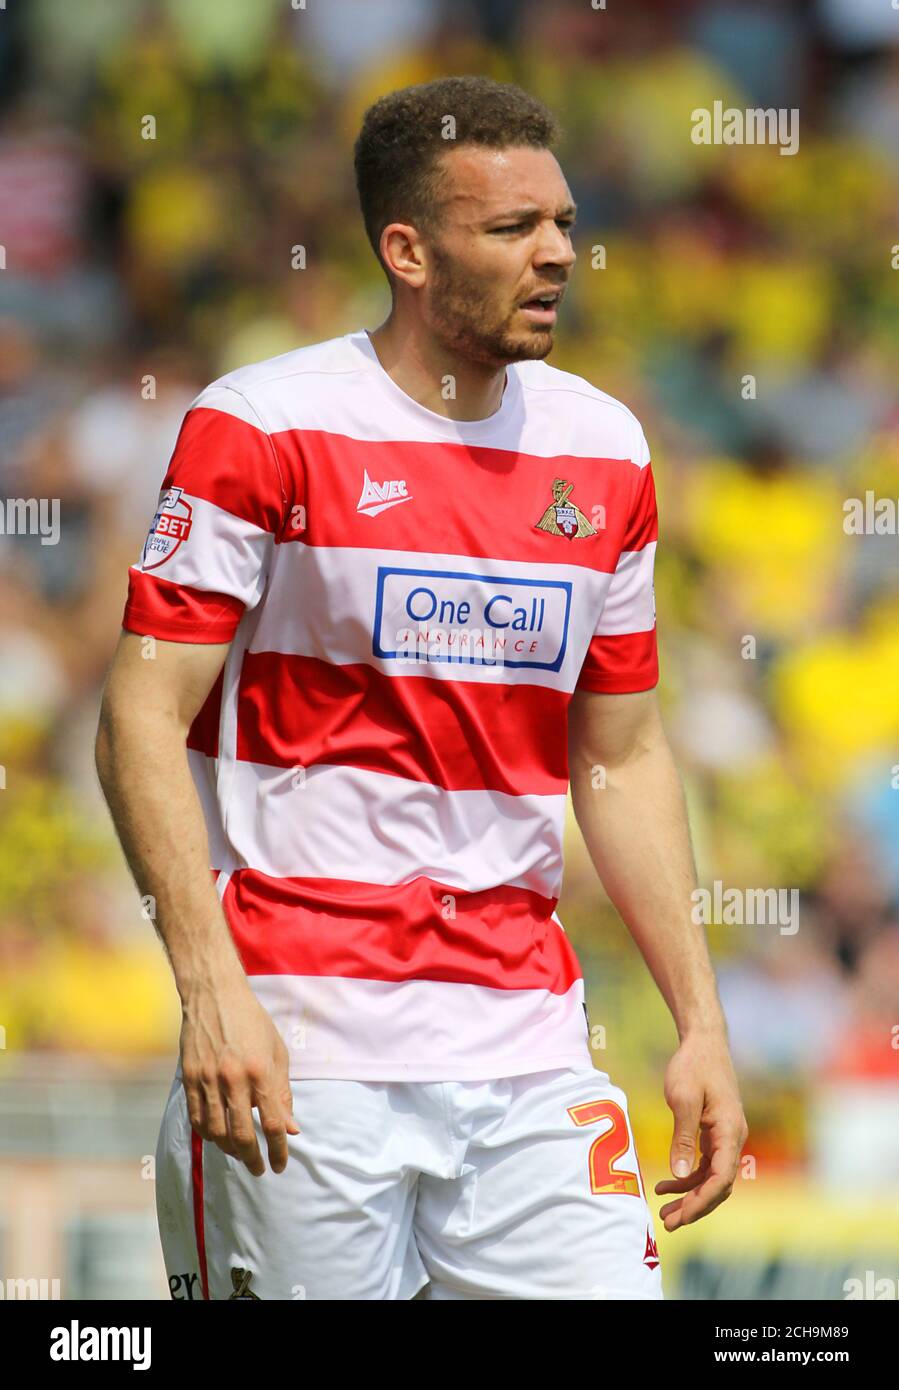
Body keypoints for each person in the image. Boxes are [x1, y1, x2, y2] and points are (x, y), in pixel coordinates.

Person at [95, 75, 747, 1301]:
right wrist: (207, 991)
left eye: (561, 222)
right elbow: (138, 710)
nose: (556, 253)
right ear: (405, 249)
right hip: (299, 1040)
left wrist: (698, 1022)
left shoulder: (603, 449)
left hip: (528, 1044)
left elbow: (619, 753)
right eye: (510, 230)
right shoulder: (262, 424)